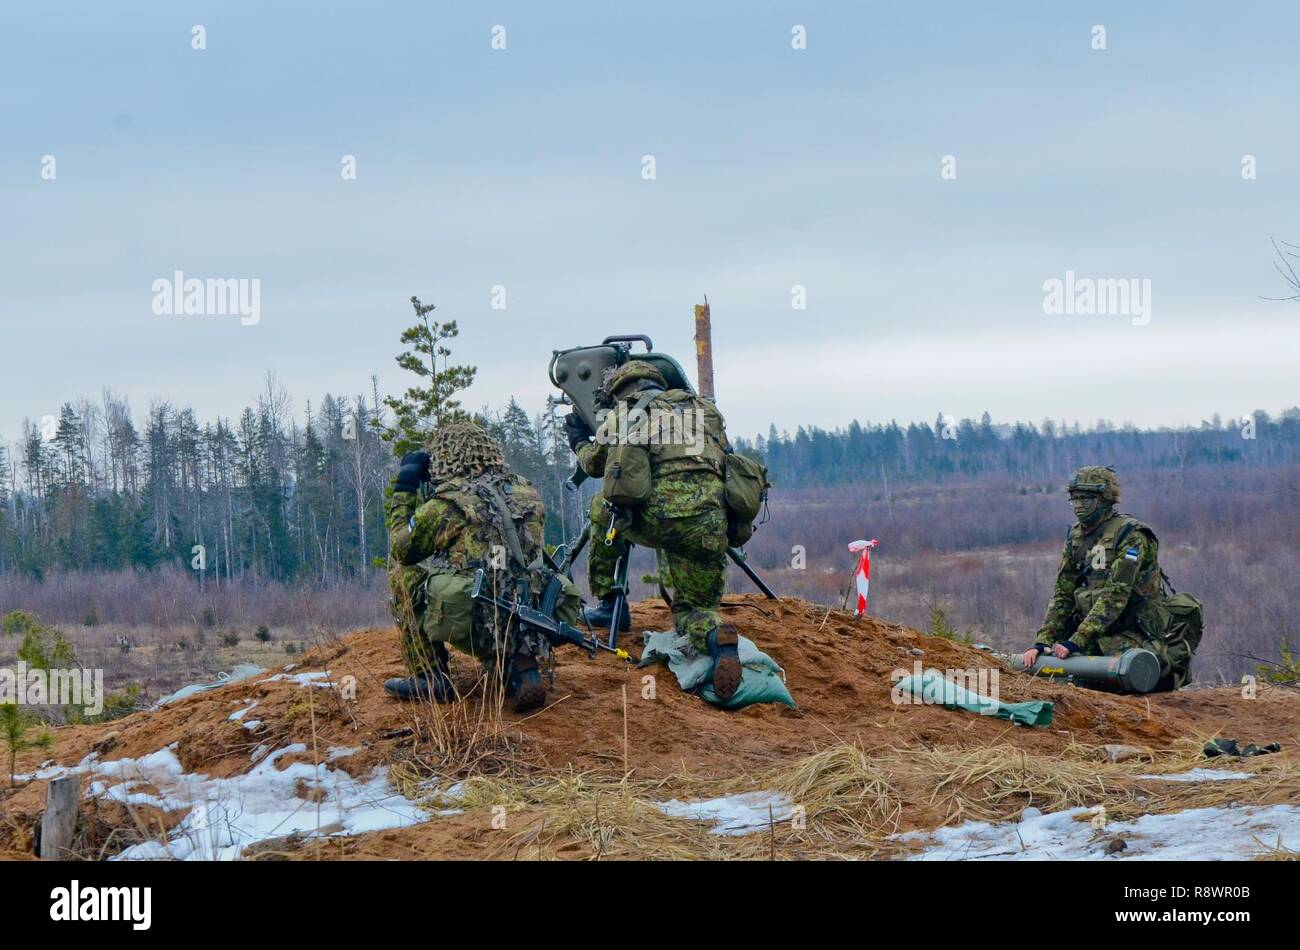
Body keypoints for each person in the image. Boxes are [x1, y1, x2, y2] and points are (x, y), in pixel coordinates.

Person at [564, 361, 743, 699]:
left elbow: (594, 464)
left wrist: (578, 440)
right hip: (710, 525)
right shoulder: (705, 411)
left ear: (621, 392)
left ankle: (609, 599)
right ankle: (717, 635)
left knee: (603, 506)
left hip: (658, 521)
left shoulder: (628, 412)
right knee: (691, 610)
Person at [385, 420, 579, 712]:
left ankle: (429, 675)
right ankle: (516, 663)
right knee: (512, 573)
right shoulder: (526, 492)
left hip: (479, 623)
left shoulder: (449, 504)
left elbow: (402, 548)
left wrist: (405, 487)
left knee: (403, 572)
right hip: (535, 620)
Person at [1021, 465, 1196, 691]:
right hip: (1092, 630)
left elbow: (1116, 594)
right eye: (1074, 499)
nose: (1078, 506)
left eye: (1086, 499)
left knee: (1123, 675)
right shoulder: (1076, 536)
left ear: (1104, 499)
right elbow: (1063, 595)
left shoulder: (1131, 535)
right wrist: (1042, 641)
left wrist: (1077, 641)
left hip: (1132, 630)